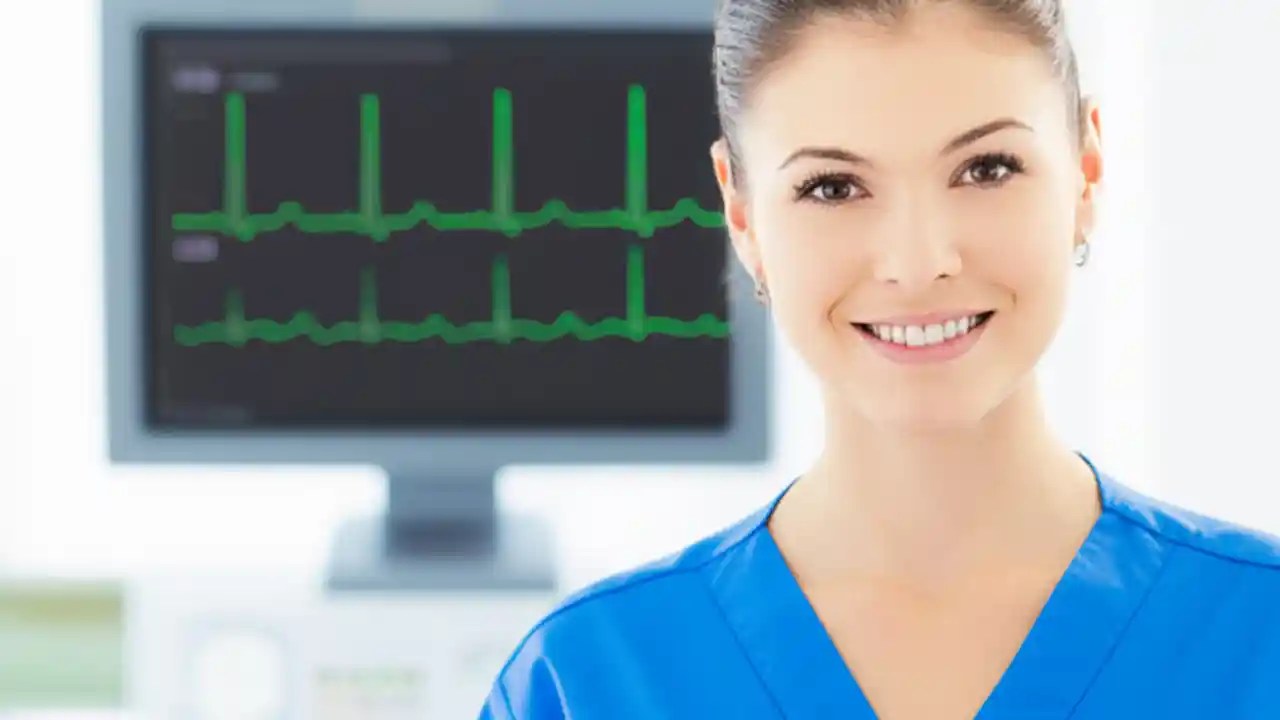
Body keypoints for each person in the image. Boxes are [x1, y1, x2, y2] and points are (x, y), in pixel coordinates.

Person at [481, 0, 1280, 717]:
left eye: (986, 169)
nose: (918, 262)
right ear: (742, 212)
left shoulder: (1258, 639)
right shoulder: (590, 682)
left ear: (1086, 172)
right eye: (833, 187)